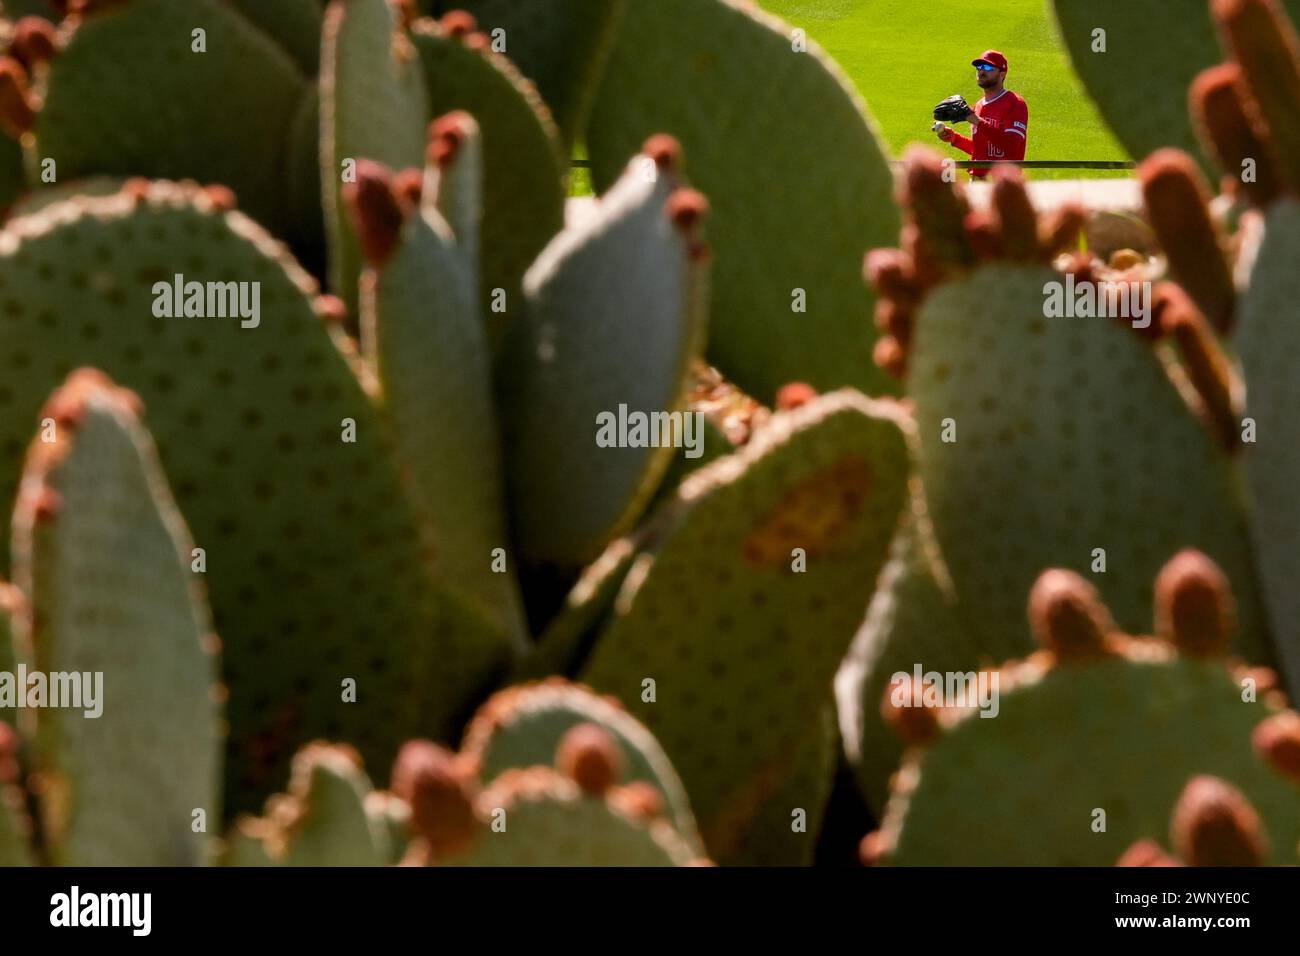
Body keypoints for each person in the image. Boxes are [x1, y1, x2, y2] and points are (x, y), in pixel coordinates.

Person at [935, 50, 1028, 179]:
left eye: (988, 67)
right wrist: (955, 139)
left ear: (1002, 74)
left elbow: (1011, 146)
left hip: (1003, 183)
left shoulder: (1014, 103)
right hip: (977, 180)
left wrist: (976, 120)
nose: (981, 71)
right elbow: (981, 152)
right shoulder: (978, 105)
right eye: (979, 67)